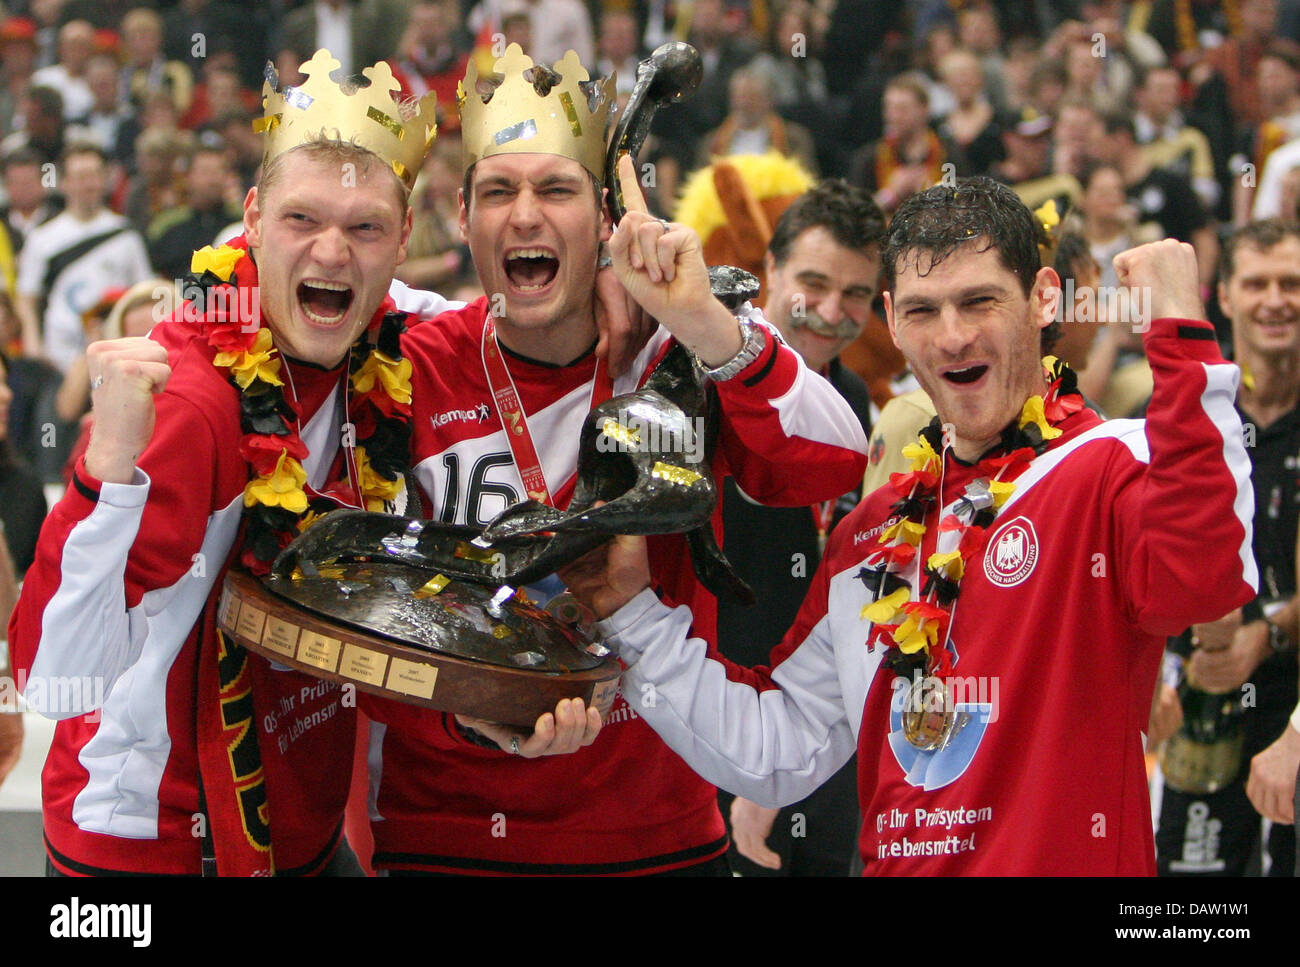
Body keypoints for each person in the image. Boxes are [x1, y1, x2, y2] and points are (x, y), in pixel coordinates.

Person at [563, 177, 1258, 875]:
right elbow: (777, 748)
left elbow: (1205, 580)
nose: (953, 336)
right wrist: (629, 613)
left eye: (979, 301)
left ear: (1045, 297)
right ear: (892, 321)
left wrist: (1180, 329)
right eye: (924, 310)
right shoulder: (871, 530)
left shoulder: (1108, 463)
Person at [363, 44, 870, 876]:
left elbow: (832, 461)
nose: (525, 214)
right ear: (463, 220)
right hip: (445, 832)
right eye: (498, 191)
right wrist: (471, 708)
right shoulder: (404, 362)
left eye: (556, 189)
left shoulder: (678, 351)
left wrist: (705, 321)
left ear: (605, 219)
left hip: (657, 838)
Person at [8, 50, 480, 877]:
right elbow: (55, 684)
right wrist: (107, 470)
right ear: (253, 220)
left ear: (403, 239)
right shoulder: (191, 406)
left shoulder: (377, 345)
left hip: (301, 832)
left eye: (365, 227)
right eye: (302, 221)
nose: (333, 252)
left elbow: (492, 326)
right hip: (149, 851)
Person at [714, 179, 882, 876]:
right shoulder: (703, 379)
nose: (833, 311)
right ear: (770, 274)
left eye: (858, 296)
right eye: (814, 283)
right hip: (717, 727)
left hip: (824, 734)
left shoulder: (853, 399)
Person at [1154, 219, 1300, 876]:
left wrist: (1266, 632)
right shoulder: (1188, 413)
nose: (1276, 299)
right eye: (1258, 282)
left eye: (1292, 283)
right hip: (1203, 694)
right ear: (1226, 297)